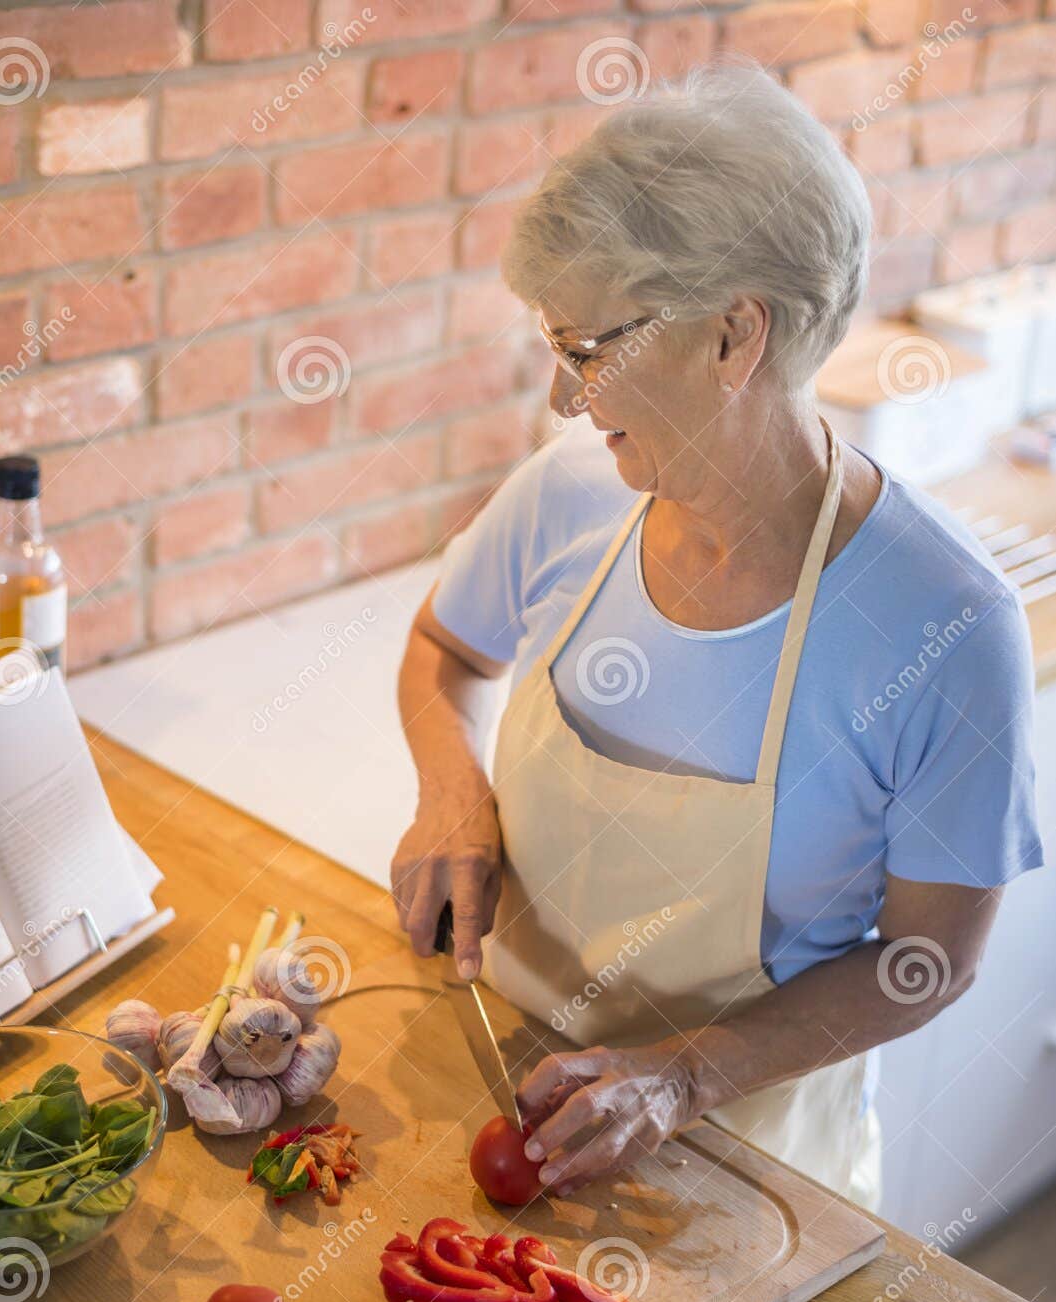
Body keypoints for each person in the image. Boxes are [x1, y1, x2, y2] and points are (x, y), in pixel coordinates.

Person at [391, 63, 1042, 1208]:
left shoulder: (950, 626)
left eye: (588, 351)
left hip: (760, 1181)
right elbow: (444, 652)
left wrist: (680, 1080)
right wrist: (451, 788)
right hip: (507, 1099)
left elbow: (931, 959)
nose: (563, 399)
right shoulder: (565, 499)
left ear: (737, 336)